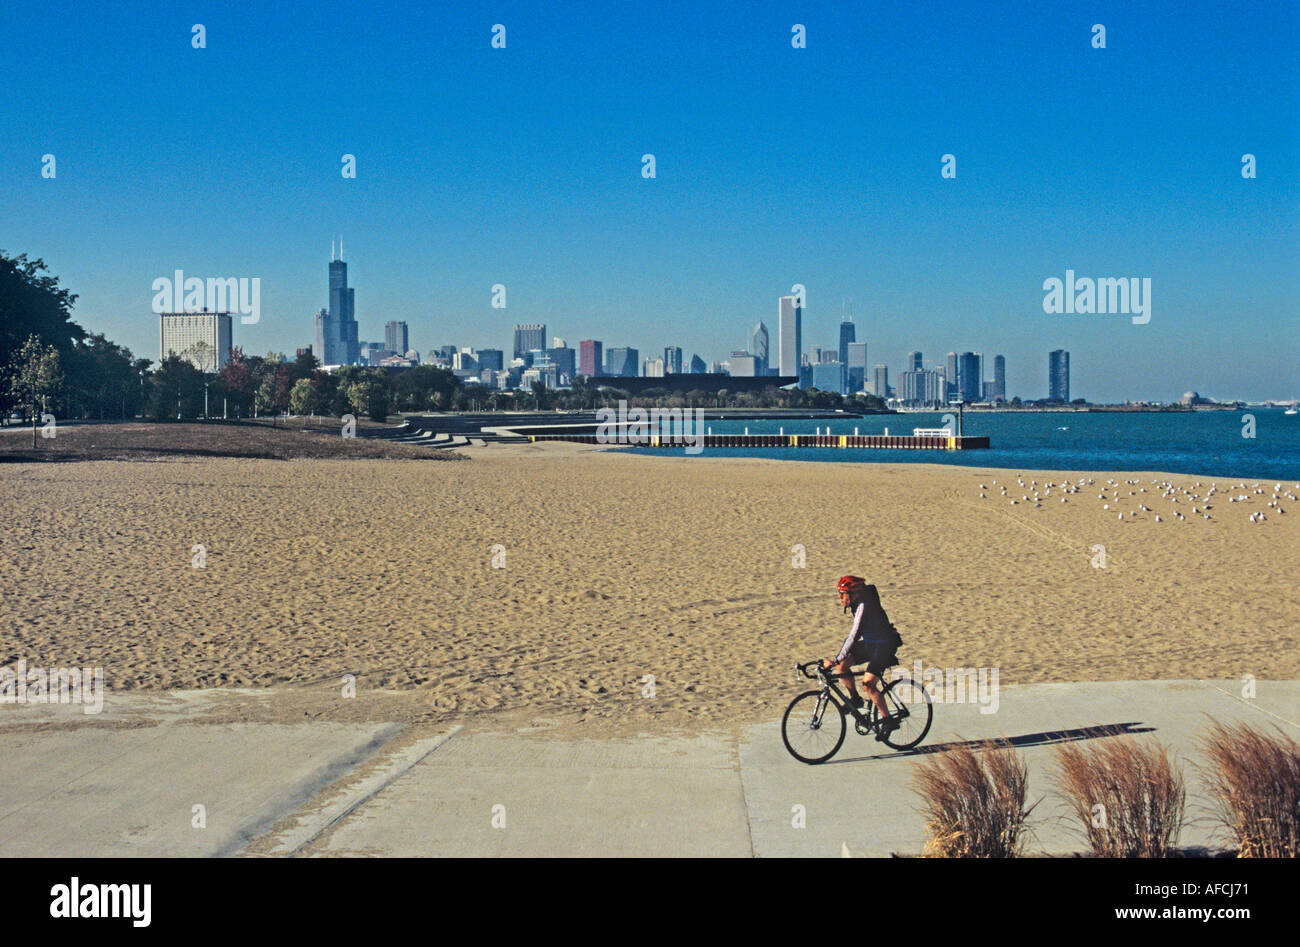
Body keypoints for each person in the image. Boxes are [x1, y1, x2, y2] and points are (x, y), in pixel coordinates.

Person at [822, 575, 902, 731]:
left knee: (868, 684)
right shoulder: (857, 602)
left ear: (855, 593)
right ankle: (855, 700)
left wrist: (836, 659)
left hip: (885, 645)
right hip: (871, 643)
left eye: (843, 594)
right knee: (842, 667)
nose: (840, 598)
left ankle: (888, 720)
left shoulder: (864, 605)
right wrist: (839, 662)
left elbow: (854, 634)